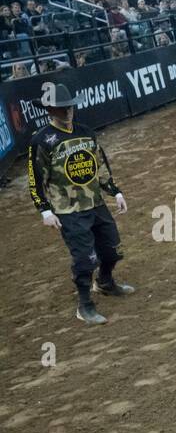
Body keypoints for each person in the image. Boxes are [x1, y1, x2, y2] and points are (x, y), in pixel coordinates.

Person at [28, 83, 134, 325]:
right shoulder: (42, 140)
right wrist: (44, 210)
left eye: (69, 107)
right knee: (85, 259)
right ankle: (84, 305)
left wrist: (115, 192)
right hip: (68, 210)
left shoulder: (86, 132)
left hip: (95, 202)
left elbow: (100, 165)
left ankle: (105, 281)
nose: (68, 112)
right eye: (61, 109)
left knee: (112, 249)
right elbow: (36, 180)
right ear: (50, 110)